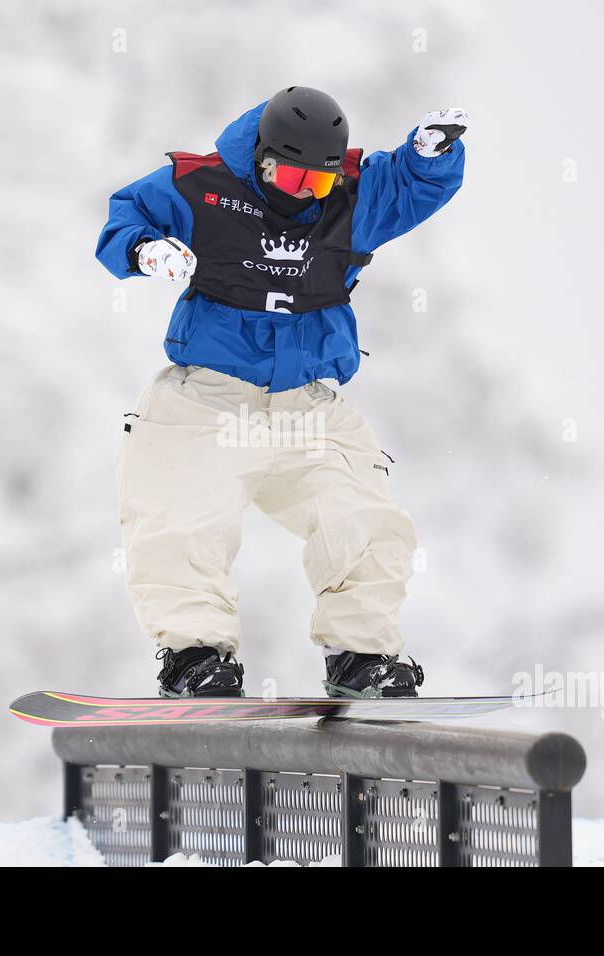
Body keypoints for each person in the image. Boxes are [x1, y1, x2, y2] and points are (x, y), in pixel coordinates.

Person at [96, 86, 467, 699]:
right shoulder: (203, 188)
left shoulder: (347, 200)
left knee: (364, 518)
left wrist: (429, 159)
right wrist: (147, 249)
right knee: (181, 517)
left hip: (308, 408)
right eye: (293, 176)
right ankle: (195, 659)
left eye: (317, 184)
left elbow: (405, 187)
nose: (303, 193)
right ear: (262, 158)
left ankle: (361, 659)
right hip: (208, 399)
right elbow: (125, 215)